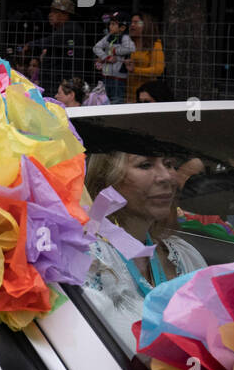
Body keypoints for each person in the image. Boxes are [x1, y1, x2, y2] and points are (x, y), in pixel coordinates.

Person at [82, 151, 207, 359]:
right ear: (107, 179)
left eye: (169, 164)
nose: (167, 176)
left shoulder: (184, 255)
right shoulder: (91, 259)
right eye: (146, 165)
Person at [22, 0, 85, 94]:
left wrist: (30, 45)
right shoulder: (64, 29)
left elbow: (50, 41)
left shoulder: (70, 29)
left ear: (65, 14)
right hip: (57, 83)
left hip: (63, 86)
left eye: (55, 12)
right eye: (51, 12)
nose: (50, 15)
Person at [93, 11, 134, 104]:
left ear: (122, 28)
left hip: (118, 78)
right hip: (106, 76)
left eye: (113, 24)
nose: (110, 26)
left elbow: (130, 48)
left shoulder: (125, 38)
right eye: (110, 24)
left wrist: (115, 50)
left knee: (117, 101)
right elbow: (96, 47)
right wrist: (105, 57)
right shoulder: (108, 37)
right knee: (103, 101)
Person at [125, 12, 164, 102]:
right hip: (128, 96)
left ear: (146, 26)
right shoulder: (128, 45)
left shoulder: (155, 45)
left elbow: (158, 70)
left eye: (136, 22)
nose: (132, 25)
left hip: (146, 97)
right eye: (131, 22)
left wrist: (135, 70)